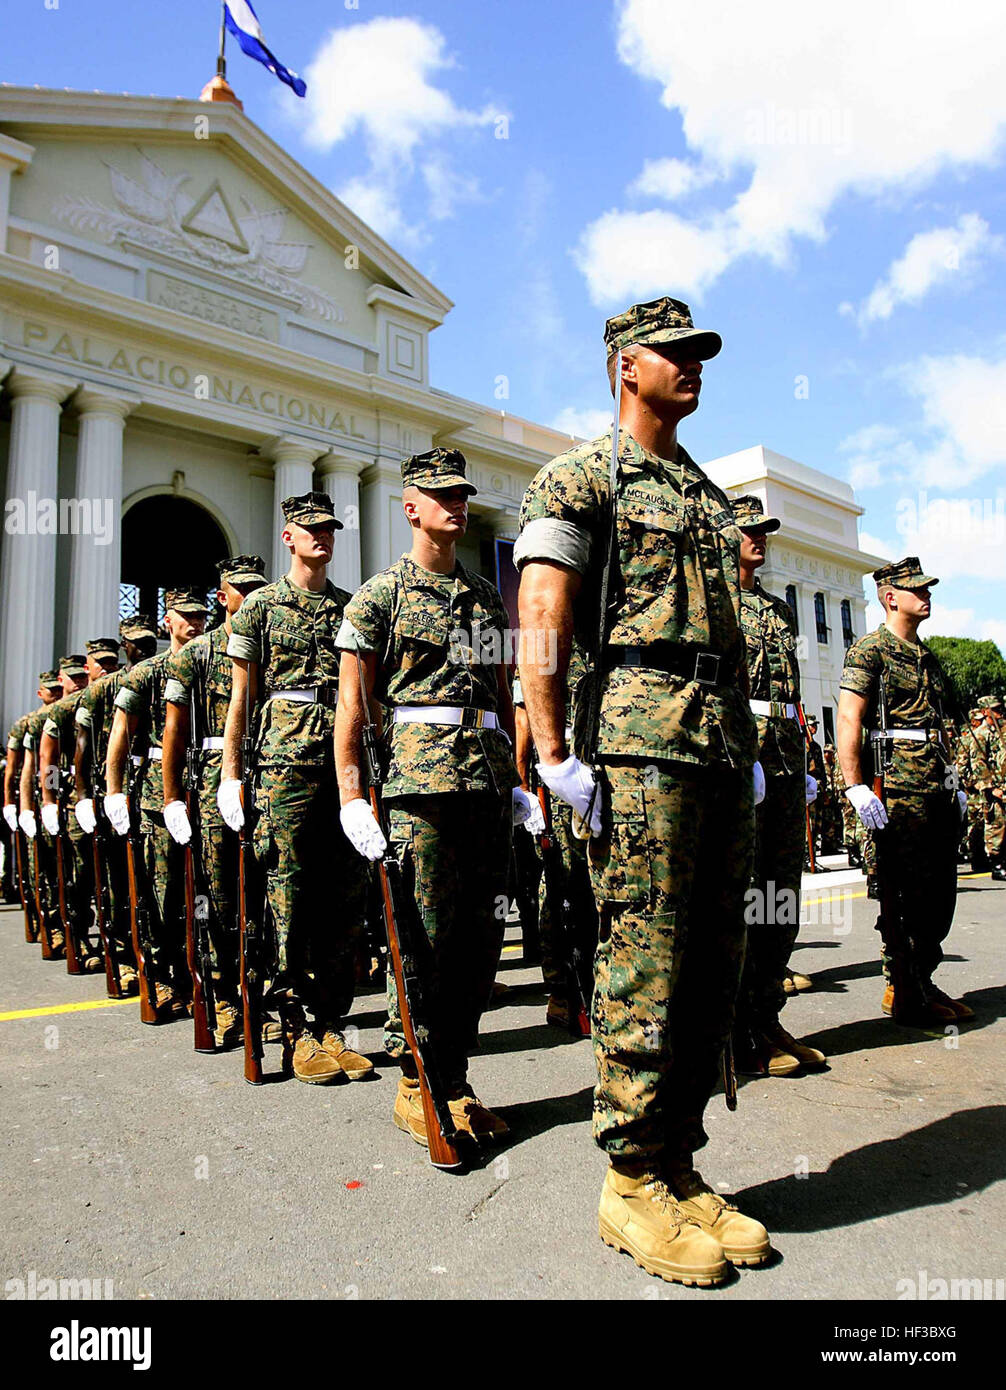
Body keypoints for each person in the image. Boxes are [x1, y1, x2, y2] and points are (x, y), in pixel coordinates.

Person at [516, 295, 770, 1287]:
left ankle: (676, 1158)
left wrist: (743, 734)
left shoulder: (705, 494)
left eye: (700, 350)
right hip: (637, 741)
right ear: (627, 364)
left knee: (715, 954)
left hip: (714, 739)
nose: (693, 364)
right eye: (675, 352)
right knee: (646, 955)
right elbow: (541, 609)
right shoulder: (584, 474)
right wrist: (550, 751)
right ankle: (627, 1181)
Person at [335, 449, 529, 1144]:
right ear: (411, 505)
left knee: (481, 942)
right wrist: (353, 797)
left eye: (464, 492)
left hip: (483, 781)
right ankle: (417, 1082)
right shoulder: (377, 597)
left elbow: (503, 698)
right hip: (417, 787)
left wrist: (518, 784)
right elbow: (353, 711)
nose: (458, 502)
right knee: (421, 938)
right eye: (442, 493)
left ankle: (454, 1078)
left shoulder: (484, 595)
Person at [218, 494, 372, 1086]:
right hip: (283, 766)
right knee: (289, 896)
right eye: (311, 530)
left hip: (339, 768)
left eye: (330, 529)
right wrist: (232, 774)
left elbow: (358, 699)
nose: (323, 538)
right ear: (288, 536)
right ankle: (291, 1027)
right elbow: (241, 697)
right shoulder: (261, 606)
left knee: (341, 897)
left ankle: (329, 1023)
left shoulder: (348, 607)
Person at [837, 557, 978, 1025]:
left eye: (928, 588)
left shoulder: (928, 657)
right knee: (903, 893)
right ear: (891, 596)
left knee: (939, 892)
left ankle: (923, 979)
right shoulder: (870, 650)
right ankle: (903, 989)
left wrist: (955, 781)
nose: (927, 595)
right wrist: (855, 786)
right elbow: (849, 718)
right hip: (895, 789)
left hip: (934, 786)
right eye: (916, 589)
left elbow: (942, 726)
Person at [729, 496, 825, 1077]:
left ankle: (766, 1015)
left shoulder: (777, 611)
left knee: (780, 894)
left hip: (786, 755)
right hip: (746, 755)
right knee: (741, 897)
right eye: (749, 531)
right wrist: (745, 755)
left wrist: (808, 764)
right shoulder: (715, 602)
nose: (760, 539)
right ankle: (737, 1028)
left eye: (765, 530)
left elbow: (793, 694)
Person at [161, 556, 268, 1048]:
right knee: (220, 895)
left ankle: (263, 996)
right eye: (239, 588)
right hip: (210, 782)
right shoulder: (196, 654)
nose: (249, 595)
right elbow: (175, 733)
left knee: (265, 895)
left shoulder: (270, 645)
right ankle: (224, 997)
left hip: (265, 776)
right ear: (223, 596)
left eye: (256, 587)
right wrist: (170, 800)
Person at [105, 590, 208, 1020]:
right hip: (156, 797)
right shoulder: (146, 674)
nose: (196, 622)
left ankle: (200, 979)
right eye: (186, 616)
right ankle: (162, 976)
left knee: (201, 895)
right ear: (169, 621)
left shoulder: (209, 664)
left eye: (201, 615)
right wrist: (113, 791)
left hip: (203, 786)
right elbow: (120, 737)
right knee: (162, 894)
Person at [39, 643, 120, 973]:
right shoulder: (63, 710)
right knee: (80, 873)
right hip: (75, 800)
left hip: (106, 796)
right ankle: (75, 934)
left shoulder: (113, 698)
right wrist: (52, 801)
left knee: (109, 873)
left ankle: (111, 939)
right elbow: (49, 760)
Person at [15, 670, 68, 954]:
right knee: (44, 868)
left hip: (67, 799)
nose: (55, 694)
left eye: (57, 689)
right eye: (50, 690)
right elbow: (28, 768)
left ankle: (69, 928)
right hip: (43, 801)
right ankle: (52, 927)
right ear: (40, 693)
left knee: (66, 870)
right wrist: (26, 806)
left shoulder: (71, 712)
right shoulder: (32, 723)